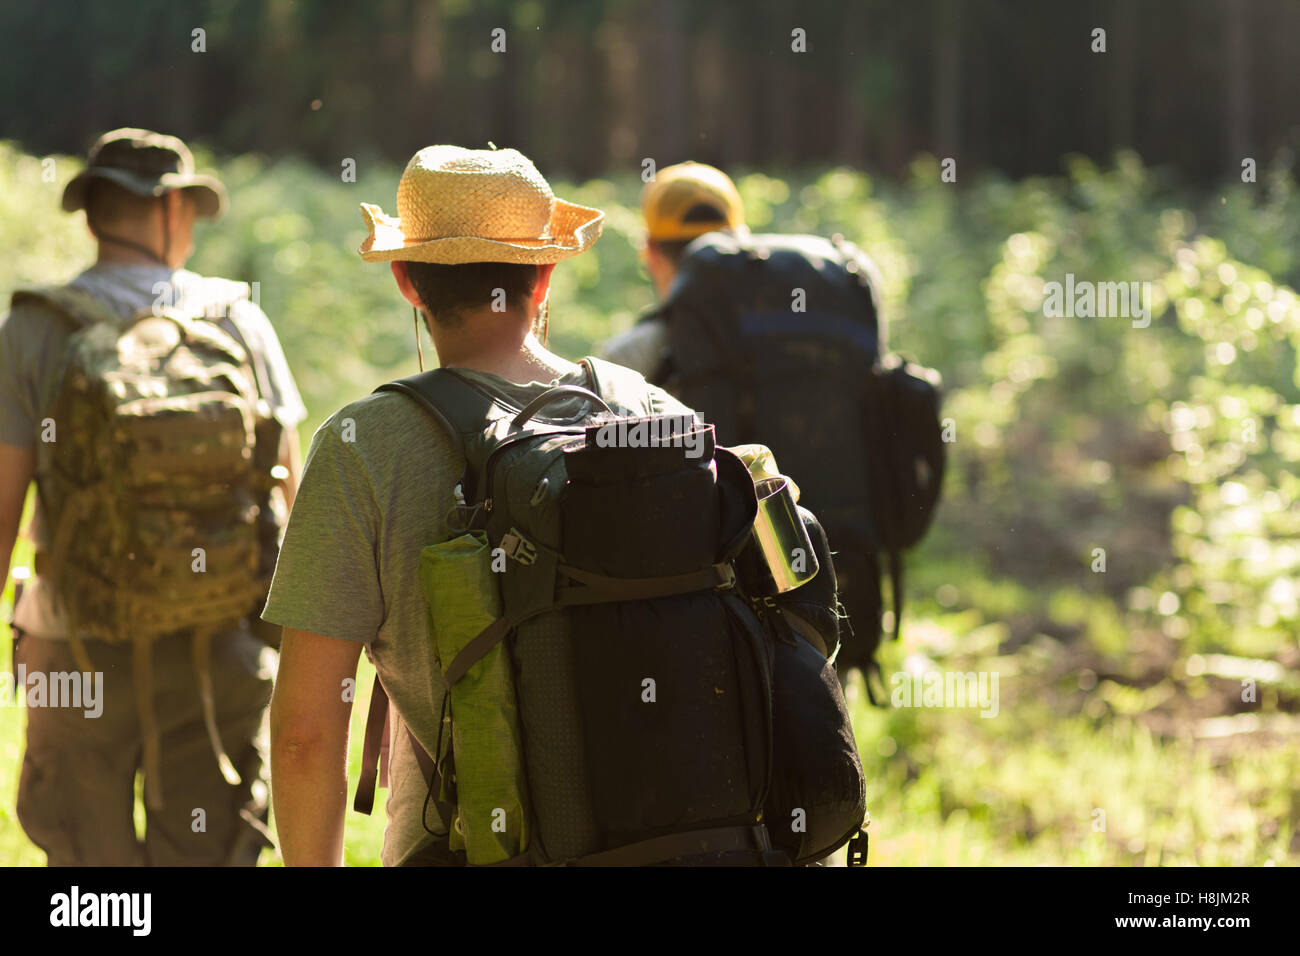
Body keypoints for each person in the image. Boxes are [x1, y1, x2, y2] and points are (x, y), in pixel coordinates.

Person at [264, 144, 727, 866]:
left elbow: (305, 734)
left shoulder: (363, 447)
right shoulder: (653, 413)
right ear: (543, 277)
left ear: (406, 282)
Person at [0, 127, 306, 865]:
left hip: (76, 653)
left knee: (91, 878)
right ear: (170, 209)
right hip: (221, 646)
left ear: (94, 212)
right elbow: (290, 496)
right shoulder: (240, 321)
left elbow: (4, 508)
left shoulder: (35, 327)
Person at [602, 161, 901, 687]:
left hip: (707, 593)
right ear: (738, 239)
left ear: (650, 251)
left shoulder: (634, 356)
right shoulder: (814, 325)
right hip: (826, 573)